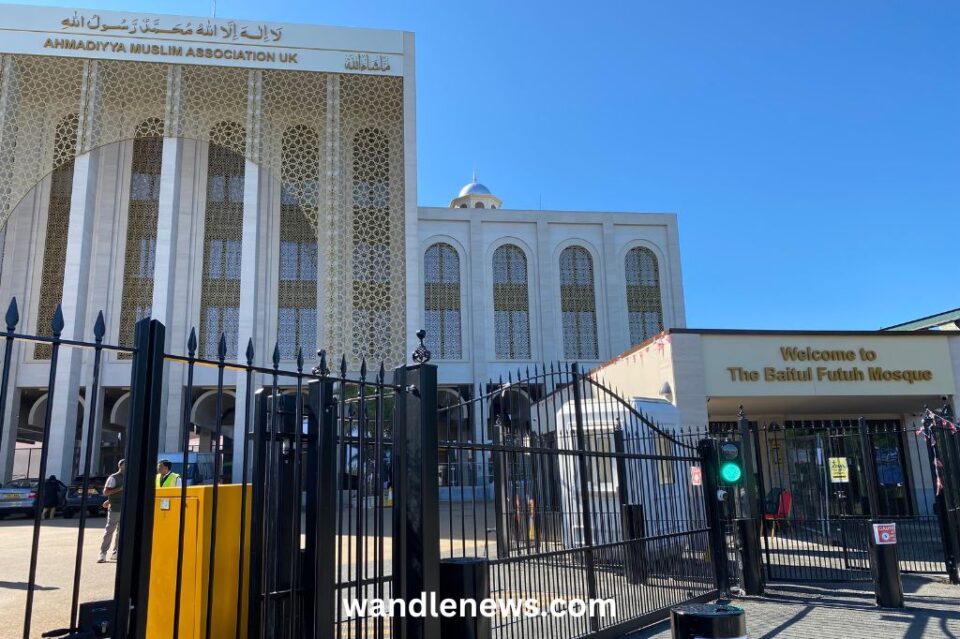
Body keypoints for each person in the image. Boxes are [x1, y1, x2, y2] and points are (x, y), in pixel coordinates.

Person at [99, 459, 124, 563]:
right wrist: (119, 489)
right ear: (120, 466)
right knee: (109, 530)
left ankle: (116, 552)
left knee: (121, 532)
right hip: (115, 509)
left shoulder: (130, 476)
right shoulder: (113, 478)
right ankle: (103, 553)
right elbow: (106, 492)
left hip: (125, 508)